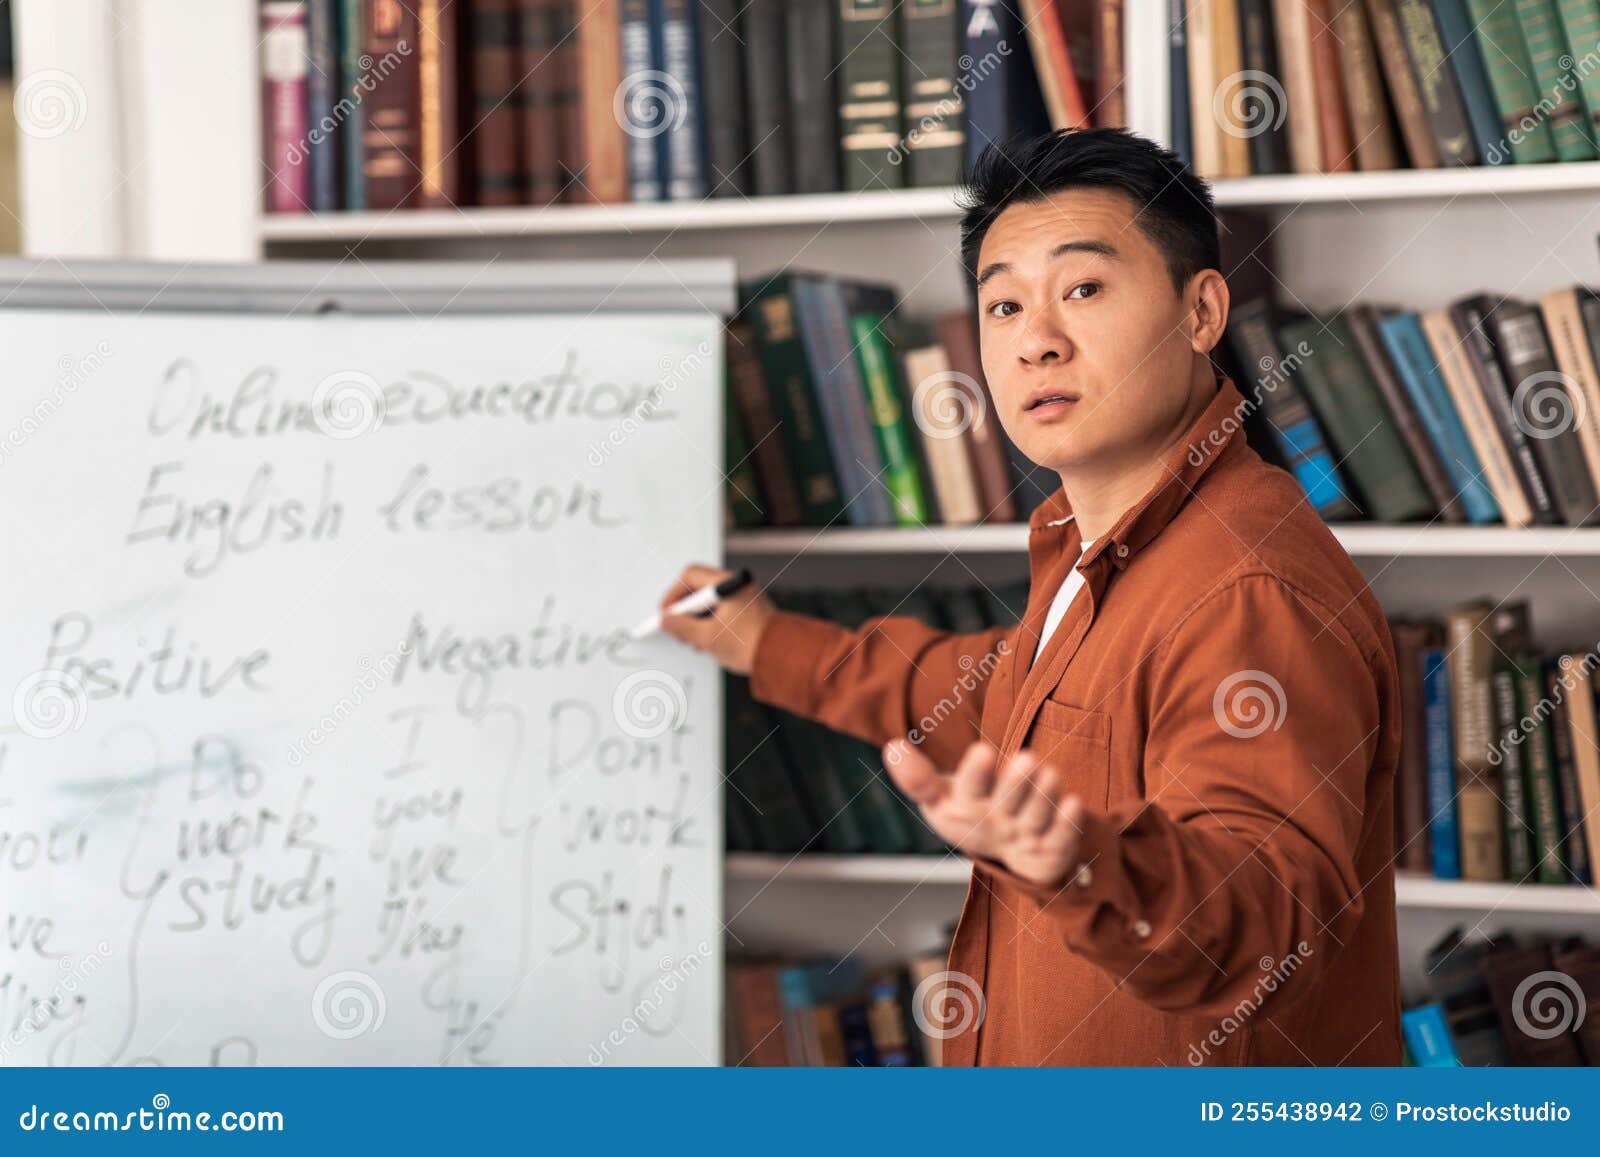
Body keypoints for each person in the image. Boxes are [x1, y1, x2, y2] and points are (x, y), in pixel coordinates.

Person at [660, 127, 1402, 1066]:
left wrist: (1083, 863)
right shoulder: (1100, 549)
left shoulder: (1247, 587)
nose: (1036, 342)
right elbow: (988, 692)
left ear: (1202, 309)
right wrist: (762, 641)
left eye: (1083, 289)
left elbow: (1265, 912)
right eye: (1003, 304)